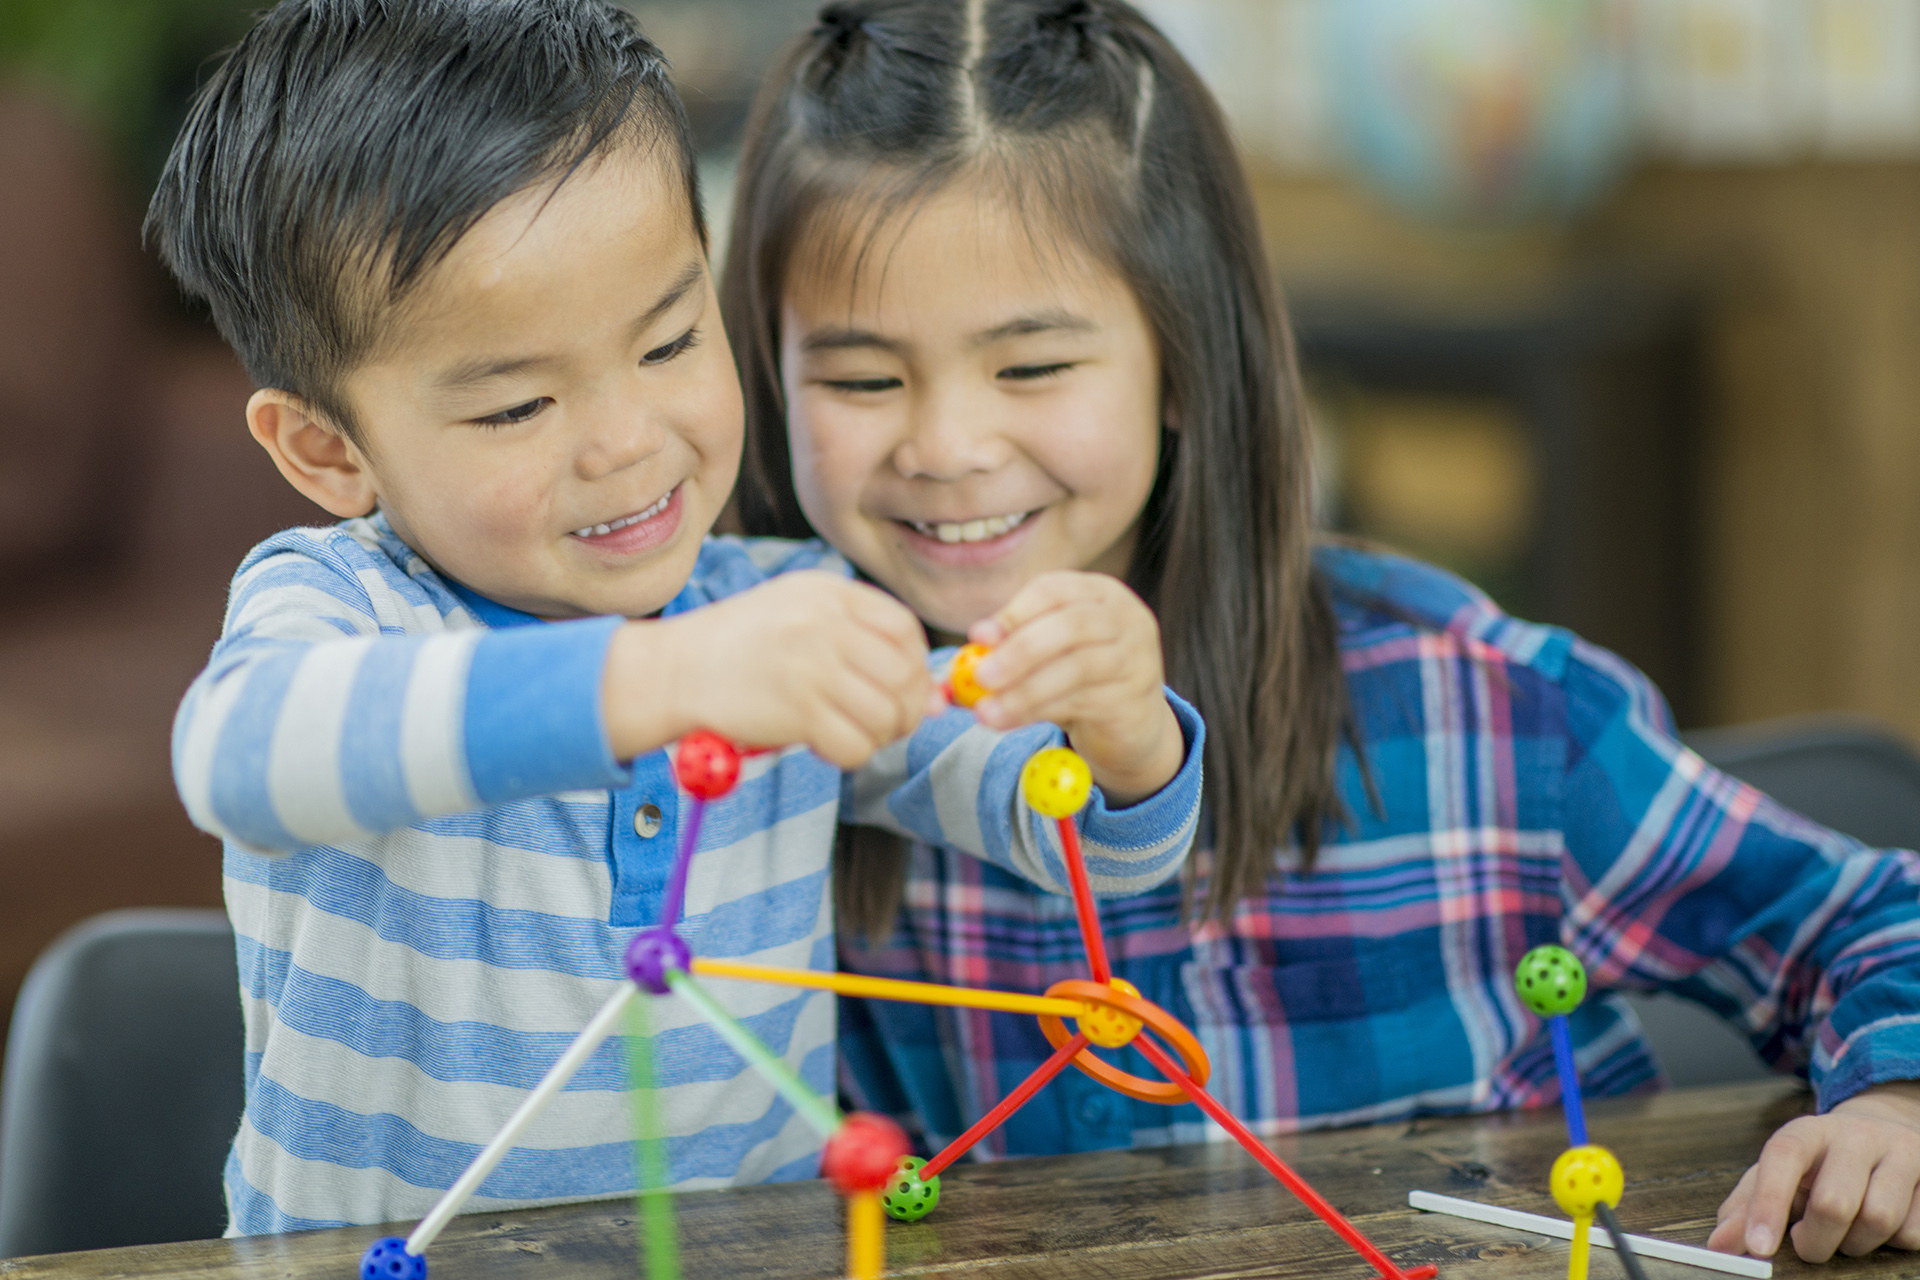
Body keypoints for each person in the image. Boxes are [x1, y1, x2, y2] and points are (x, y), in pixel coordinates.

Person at [721, 0, 1920, 1263]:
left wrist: (1893, 1104)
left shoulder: (1482, 712)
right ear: (766, 377)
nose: (948, 446)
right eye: (861, 378)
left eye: (1032, 367)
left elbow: (1871, 919)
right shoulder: (766, 755)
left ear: (1182, 360)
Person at [147, 0, 1203, 1235]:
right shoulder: (345, 602)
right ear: (329, 449)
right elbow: (235, 757)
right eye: (515, 407)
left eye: (668, 343)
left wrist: (1127, 731)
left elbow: (1089, 849)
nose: (627, 441)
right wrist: (657, 679)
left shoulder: (787, 616)